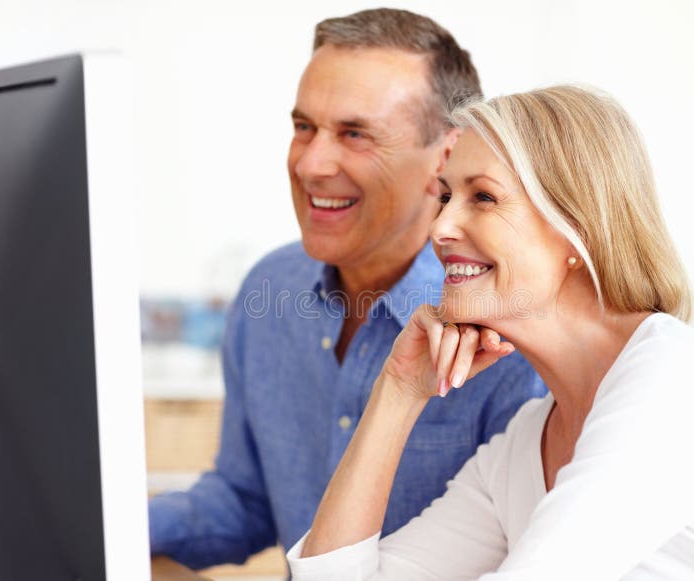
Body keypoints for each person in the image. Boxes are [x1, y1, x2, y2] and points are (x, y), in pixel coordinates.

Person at [286, 86, 694, 579]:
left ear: (578, 225)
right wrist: (398, 389)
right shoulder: (526, 442)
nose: (439, 228)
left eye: (482, 197)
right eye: (444, 198)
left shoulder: (676, 382)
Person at [147, 9, 546, 570]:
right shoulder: (268, 291)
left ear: (448, 156)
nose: (310, 164)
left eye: (355, 134)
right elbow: (247, 500)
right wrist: (109, 521)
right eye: (303, 127)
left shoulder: (509, 337)